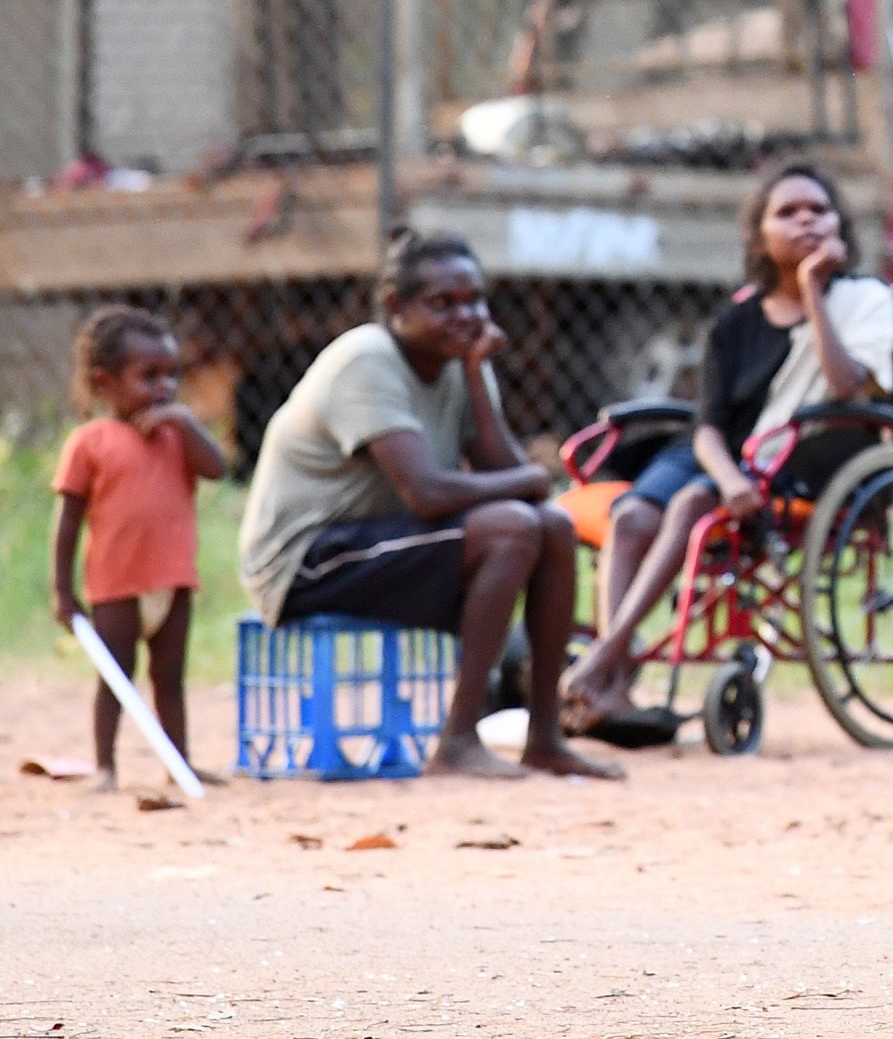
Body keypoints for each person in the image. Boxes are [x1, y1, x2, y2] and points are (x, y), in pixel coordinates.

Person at [238, 231, 621, 781]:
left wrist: (476, 379)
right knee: (512, 527)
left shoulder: (460, 360)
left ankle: (546, 737)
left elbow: (501, 474)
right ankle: (458, 741)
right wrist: (530, 477)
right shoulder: (365, 360)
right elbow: (429, 493)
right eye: (442, 304)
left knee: (554, 527)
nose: (465, 316)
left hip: (388, 543)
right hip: (306, 561)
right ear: (396, 308)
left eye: (476, 301)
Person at [560, 163, 893, 728]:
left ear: (840, 225)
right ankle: (612, 686)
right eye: (786, 212)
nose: (805, 219)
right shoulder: (736, 322)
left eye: (818, 208)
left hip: (801, 456)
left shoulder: (866, 300)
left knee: (692, 506)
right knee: (634, 513)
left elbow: (845, 388)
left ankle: (602, 661)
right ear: (760, 236)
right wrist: (730, 477)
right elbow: (708, 425)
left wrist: (814, 287)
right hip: (719, 454)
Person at [52, 306, 229, 791]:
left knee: (170, 677)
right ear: (105, 382)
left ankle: (179, 763)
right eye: (148, 376)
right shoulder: (90, 442)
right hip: (116, 584)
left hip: (173, 579)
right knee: (116, 676)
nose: (163, 388)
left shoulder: (177, 436)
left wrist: (188, 424)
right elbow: (68, 521)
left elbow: (217, 469)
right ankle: (106, 765)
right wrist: (62, 591)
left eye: (171, 376)